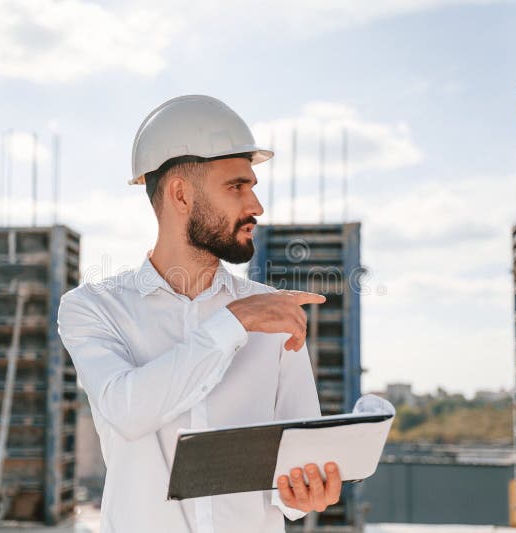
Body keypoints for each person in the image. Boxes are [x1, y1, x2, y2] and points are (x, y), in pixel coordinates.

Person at [58, 95, 342, 533]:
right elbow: (127, 410)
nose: (256, 206)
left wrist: (304, 492)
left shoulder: (273, 311)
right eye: (236, 187)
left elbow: (297, 470)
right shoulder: (93, 308)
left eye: (253, 186)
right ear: (180, 194)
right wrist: (234, 323)